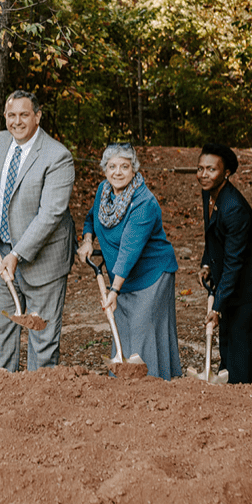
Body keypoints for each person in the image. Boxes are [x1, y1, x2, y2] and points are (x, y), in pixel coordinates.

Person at [0, 90, 76, 371]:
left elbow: (51, 214)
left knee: (41, 333)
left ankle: (38, 402)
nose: (16, 121)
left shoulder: (58, 156)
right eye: (11, 115)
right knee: (2, 330)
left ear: (37, 116)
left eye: (24, 115)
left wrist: (17, 254)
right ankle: (5, 395)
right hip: (0, 254)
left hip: (43, 259)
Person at [77, 144, 182, 380]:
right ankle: (123, 387)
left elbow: (129, 250)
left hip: (151, 274)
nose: (118, 172)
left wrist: (114, 289)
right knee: (123, 329)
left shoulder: (144, 202)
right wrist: (87, 240)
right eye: (112, 167)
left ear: (134, 169)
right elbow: (91, 217)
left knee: (142, 329)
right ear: (104, 170)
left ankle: (154, 384)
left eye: (124, 166)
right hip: (122, 276)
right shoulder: (104, 191)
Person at [196, 143, 252, 384]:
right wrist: (207, 263)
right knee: (228, 335)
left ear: (226, 173)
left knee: (241, 338)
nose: (203, 175)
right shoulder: (208, 192)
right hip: (232, 277)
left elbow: (234, 263)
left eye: (211, 169)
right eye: (200, 168)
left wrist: (217, 306)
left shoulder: (234, 208)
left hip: (251, 281)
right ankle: (226, 380)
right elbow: (211, 233)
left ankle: (242, 392)